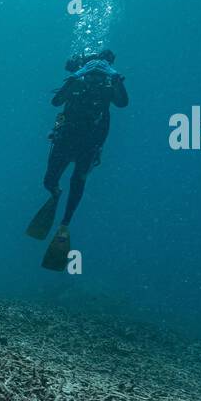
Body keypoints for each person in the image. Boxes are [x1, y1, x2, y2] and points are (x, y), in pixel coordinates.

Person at [26, 49, 129, 270]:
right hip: (64, 141)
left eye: (99, 75)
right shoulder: (76, 84)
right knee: (49, 180)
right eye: (91, 74)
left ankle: (65, 224)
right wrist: (76, 76)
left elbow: (123, 103)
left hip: (89, 146)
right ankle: (55, 193)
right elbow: (56, 102)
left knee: (78, 181)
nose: (94, 79)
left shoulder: (108, 89)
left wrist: (115, 76)